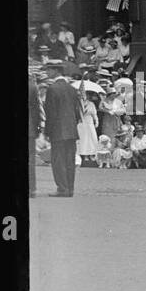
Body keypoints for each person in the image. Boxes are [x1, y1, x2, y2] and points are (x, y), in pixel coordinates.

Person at [42, 62, 82, 196]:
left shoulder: (52, 88)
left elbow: (50, 113)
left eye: (49, 70)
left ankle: (62, 188)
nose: (47, 72)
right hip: (71, 130)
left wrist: (48, 131)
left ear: (55, 71)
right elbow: (77, 112)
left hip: (58, 131)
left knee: (58, 161)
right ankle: (70, 188)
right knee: (70, 160)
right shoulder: (71, 89)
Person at [28, 74, 42, 197]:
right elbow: (36, 109)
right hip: (30, 127)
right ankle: (31, 188)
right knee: (30, 159)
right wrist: (37, 128)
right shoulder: (32, 87)